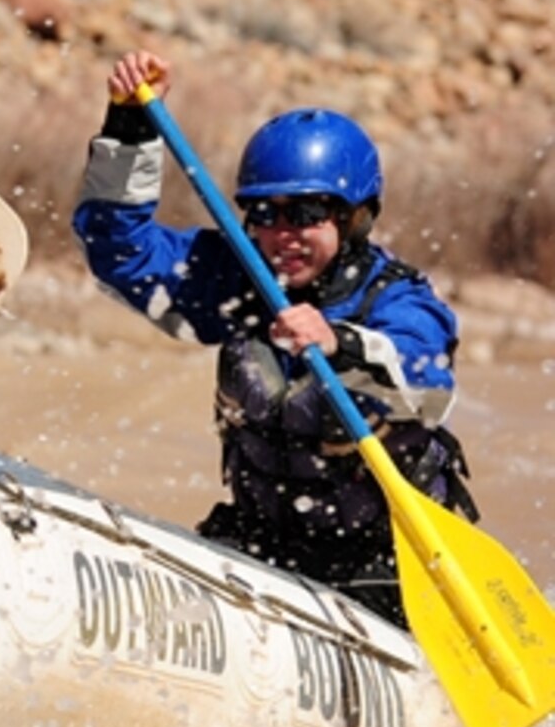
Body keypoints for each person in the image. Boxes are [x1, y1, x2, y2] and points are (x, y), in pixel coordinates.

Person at [75, 54, 474, 623]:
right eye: (264, 213)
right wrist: (130, 128)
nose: (282, 234)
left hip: (386, 563)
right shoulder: (236, 278)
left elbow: (428, 382)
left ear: (355, 218)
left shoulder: (398, 299)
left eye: (305, 213)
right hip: (264, 543)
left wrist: (340, 341)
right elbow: (120, 252)